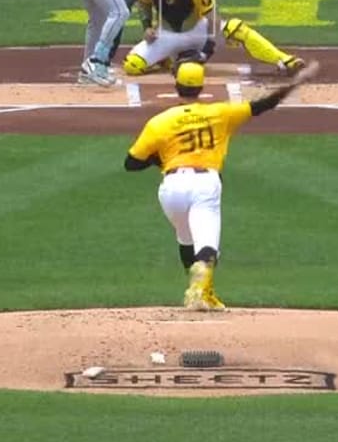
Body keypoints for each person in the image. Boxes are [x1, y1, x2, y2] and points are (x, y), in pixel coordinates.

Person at [124, 58, 322, 311]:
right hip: (205, 183)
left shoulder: (159, 122)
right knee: (207, 245)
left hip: (171, 187)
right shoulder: (221, 112)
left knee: (186, 239)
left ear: (177, 85)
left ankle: (205, 294)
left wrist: (162, 160)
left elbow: (131, 163)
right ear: (201, 86)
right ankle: (199, 289)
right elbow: (265, 104)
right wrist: (297, 82)